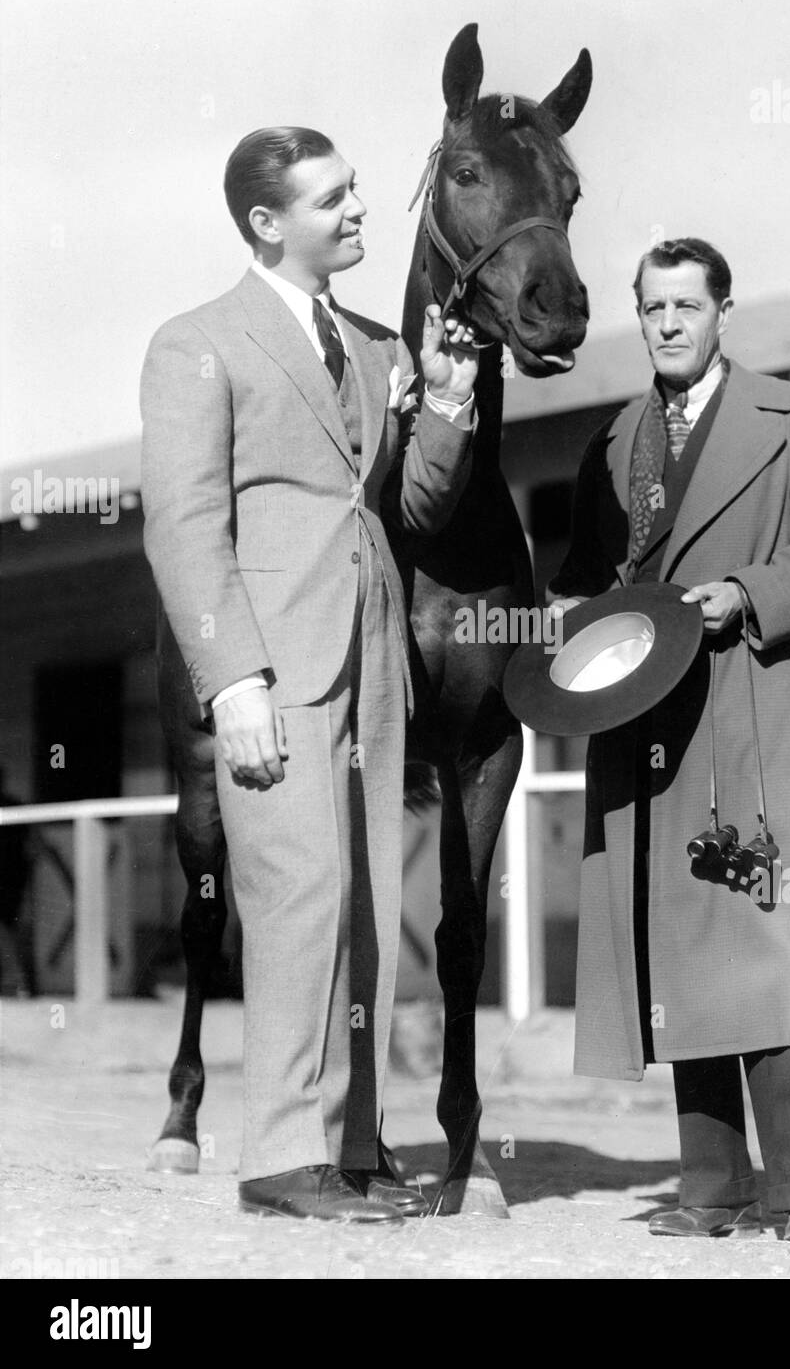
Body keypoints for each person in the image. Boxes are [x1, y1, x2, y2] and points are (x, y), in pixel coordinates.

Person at [141, 127, 478, 1223]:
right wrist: (231, 678)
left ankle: (354, 1143)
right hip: (270, 661)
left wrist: (448, 405)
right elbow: (183, 525)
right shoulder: (196, 343)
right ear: (267, 222)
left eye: (355, 190)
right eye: (333, 199)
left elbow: (408, 509)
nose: (359, 211)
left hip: (374, 657)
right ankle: (283, 1155)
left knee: (372, 899)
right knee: (296, 897)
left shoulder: (380, 349)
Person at [548, 237, 790, 1245]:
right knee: (680, 949)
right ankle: (711, 1182)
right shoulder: (610, 447)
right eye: (652, 308)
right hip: (649, 722)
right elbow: (581, 581)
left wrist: (750, 592)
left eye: (688, 305)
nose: (669, 323)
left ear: (724, 310)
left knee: (781, 946)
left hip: (761, 702)